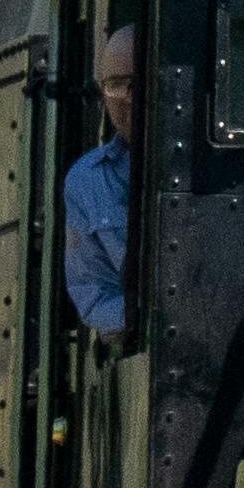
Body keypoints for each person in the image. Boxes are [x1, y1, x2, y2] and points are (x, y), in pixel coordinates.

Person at [57, 24, 139, 341]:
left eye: (137, 83)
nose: (128, 98)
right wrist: (141, 316)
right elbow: (93, 294)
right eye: (115, 85)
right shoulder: (87, 180)